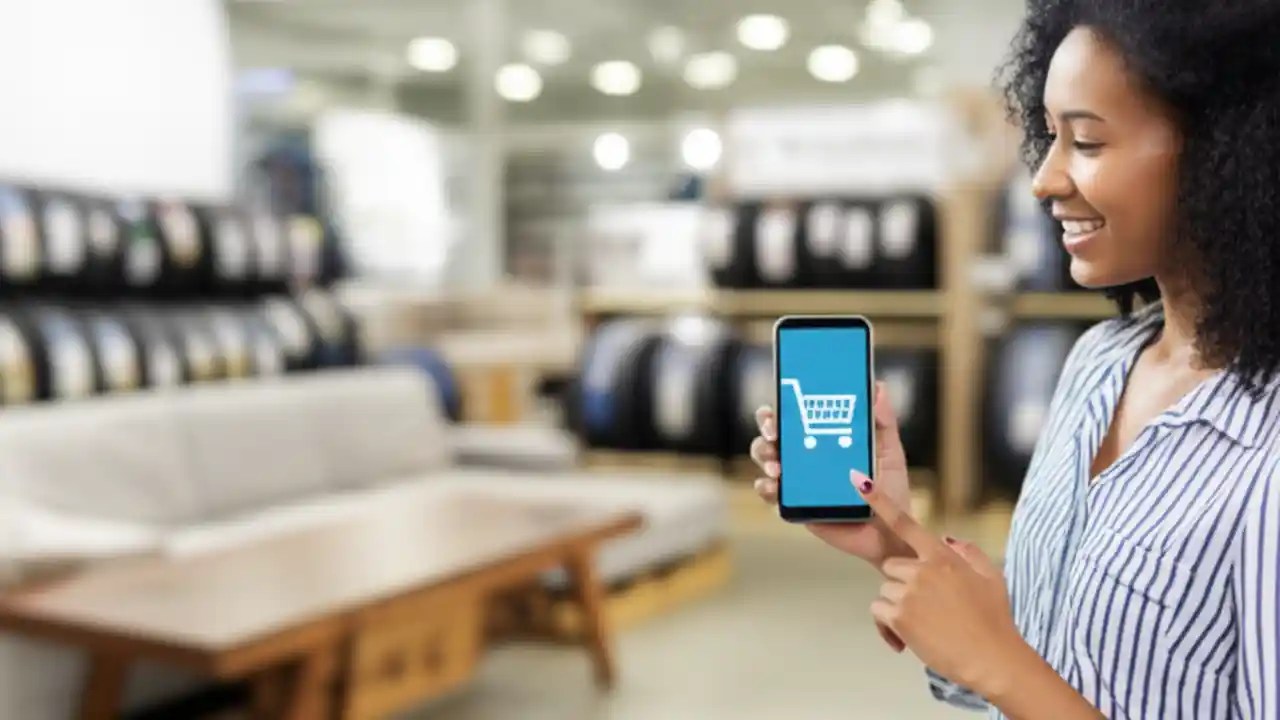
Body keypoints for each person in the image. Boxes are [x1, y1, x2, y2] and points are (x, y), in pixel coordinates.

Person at [751, 1, 1280, 717]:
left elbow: (1012, 673)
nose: (1044, 179)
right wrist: (899, 548)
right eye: (1050, 137)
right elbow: (1048, 665)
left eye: (1086, 143)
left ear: (1227, 148)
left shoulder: (1266, 446)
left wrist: (999, 662)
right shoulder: (1098, 364)